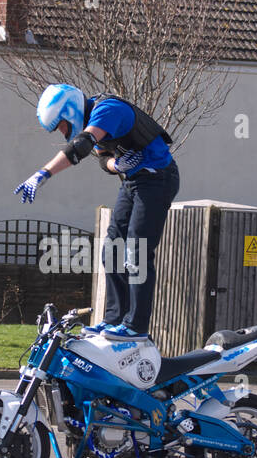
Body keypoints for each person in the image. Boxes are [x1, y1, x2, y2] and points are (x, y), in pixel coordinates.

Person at [15, 84, 180, 339]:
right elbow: (103, 159)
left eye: (61, 126)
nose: (63, 133)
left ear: (69, 111)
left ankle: (135, 328)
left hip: (158, 178)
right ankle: (114, 320)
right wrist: (118, 163)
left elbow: (81, 146)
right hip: (134, 180)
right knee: (111, 249)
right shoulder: (93, 121)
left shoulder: (107, 110)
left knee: (137, 252)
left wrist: (43, 173)